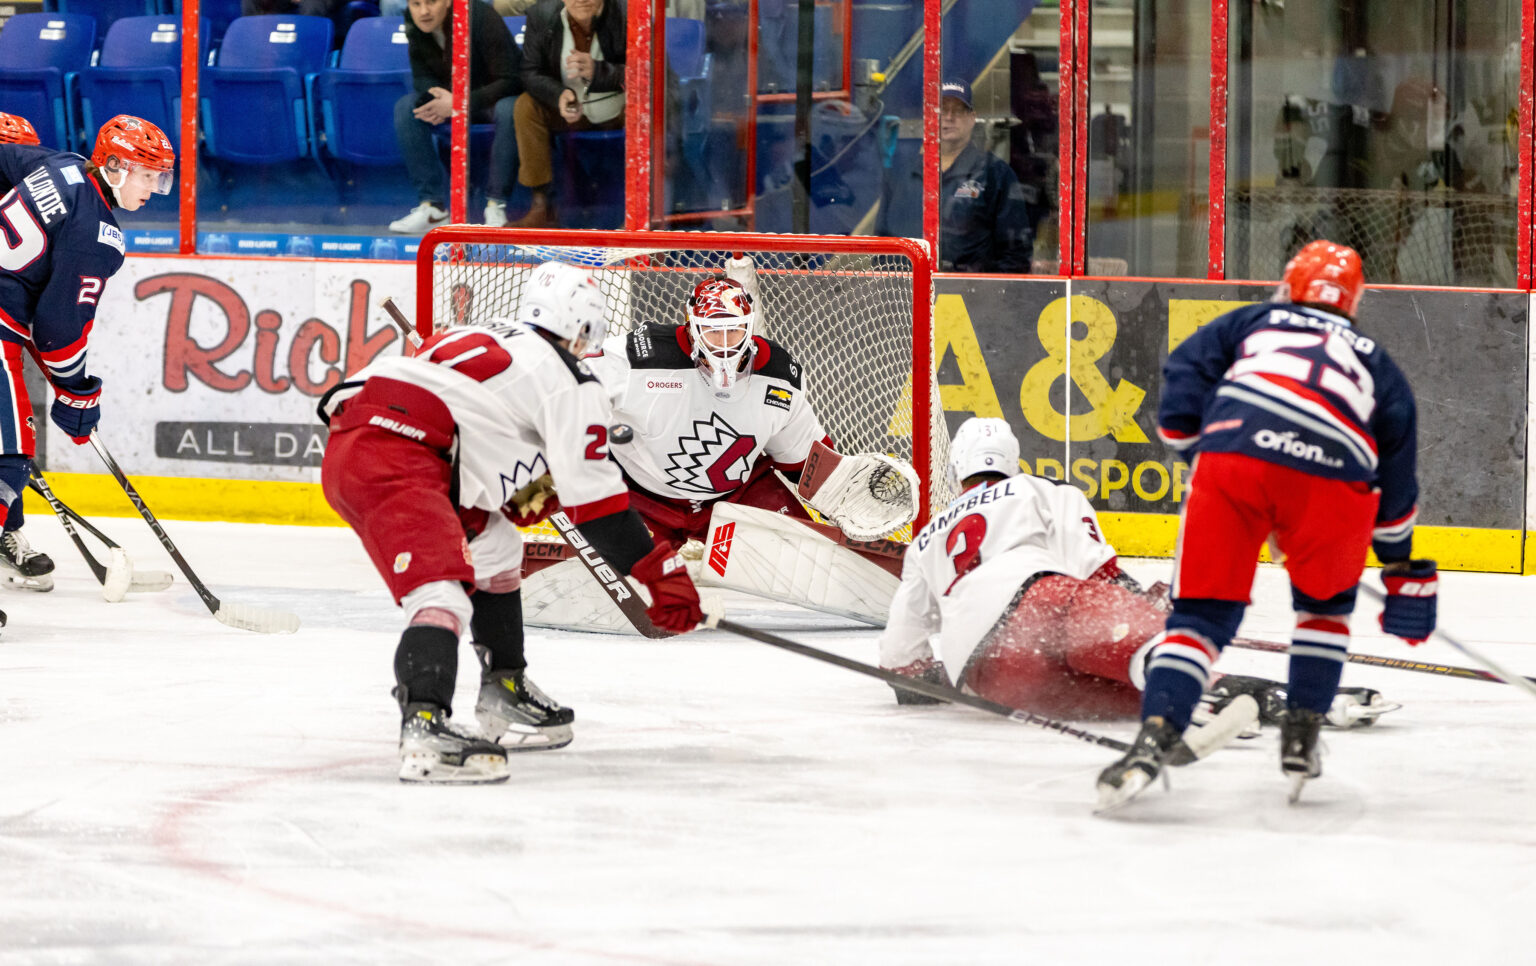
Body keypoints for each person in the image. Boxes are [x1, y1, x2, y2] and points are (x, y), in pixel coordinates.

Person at [318, 260, 705, 785]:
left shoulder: (475, 333)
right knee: (442, 593)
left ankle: (504, 689)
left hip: (378, 444)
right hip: (402, 461)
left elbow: (489, 448)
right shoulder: (572, 379)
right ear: (589, 326)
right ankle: (424, 726)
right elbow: (597, 505)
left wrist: (536, 491)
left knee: (497, 548)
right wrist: (657, 572)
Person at [1096, 240, 1433, 808]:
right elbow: (1397, 461)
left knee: (1200, 617)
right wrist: (1399, 560)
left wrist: (1194, 444)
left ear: (1288, 287)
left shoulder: (1256, 318)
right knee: (1323, 613)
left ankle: (1156, 733)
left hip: (1235, 458)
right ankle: (1302, 732)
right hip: (1335, 476)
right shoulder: (1374, 357)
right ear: (1353, 301)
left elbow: (1184, 368)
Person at [878, 417, 1394, 730]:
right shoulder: (1043, 490)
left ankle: (1221, 702)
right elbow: (1093, 570)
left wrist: (937, 680)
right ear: (1014, 461)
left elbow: (902, 662)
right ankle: (1278, 698)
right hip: (1041, 606)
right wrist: (1146, 609)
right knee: (1165, 663)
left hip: (994, 678)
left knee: (1144, 697)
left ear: (956, 468)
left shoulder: (925, 539)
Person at [0, 115, 176, 602]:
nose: (155, 189)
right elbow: (58, 330)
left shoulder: (62, 165)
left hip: (5, 318)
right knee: (8, 455)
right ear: (115, 166)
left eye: (161, 177)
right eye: (147, 175)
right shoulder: (99, 234)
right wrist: (78, 391)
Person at [388, 0, 524, 233]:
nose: (424, 11)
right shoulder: (413, 21)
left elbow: (511, 79)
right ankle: (432, 207)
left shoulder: (481, 16)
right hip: (451, 100)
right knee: (406, 108)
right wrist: (436, 98)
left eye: (431, 2)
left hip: (492, 99)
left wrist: (459, 103)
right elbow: (420, 76)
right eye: (416, 3)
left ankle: (495, 205)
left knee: (510, 108)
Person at [510, 0, 627, 228]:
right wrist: (559, 94)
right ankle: (541, 206)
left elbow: (648, 70)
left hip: (619, 110)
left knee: (645, 106)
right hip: (570, 109)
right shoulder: (540, 15)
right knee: (525, 106)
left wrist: (599, 71)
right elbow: (530, 72)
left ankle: (636, 213)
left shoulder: (628, 13)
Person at [935, 79, 1032, 273]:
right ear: (930, 116)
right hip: (913, 292)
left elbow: (1016, 255)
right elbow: (886, 246)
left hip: (972, 295)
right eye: (942, 110)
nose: (949, 117)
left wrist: (986, 290)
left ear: (972, 118)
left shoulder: (996, 173)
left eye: (959, 110)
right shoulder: (909, 174)